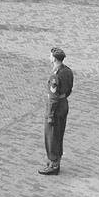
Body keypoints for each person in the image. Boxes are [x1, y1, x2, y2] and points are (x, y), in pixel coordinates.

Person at [39, 47, 74, 176]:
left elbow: (53, 98)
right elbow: (69, 89)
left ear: (54, 58)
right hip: (64, 103)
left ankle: (53, 164)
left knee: (51, 136)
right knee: (59, 133)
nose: (49, 58)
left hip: (55, 107)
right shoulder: (67, 71)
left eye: (50, 56)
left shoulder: (55, 75)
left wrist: (50, 115)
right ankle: (56, 160)